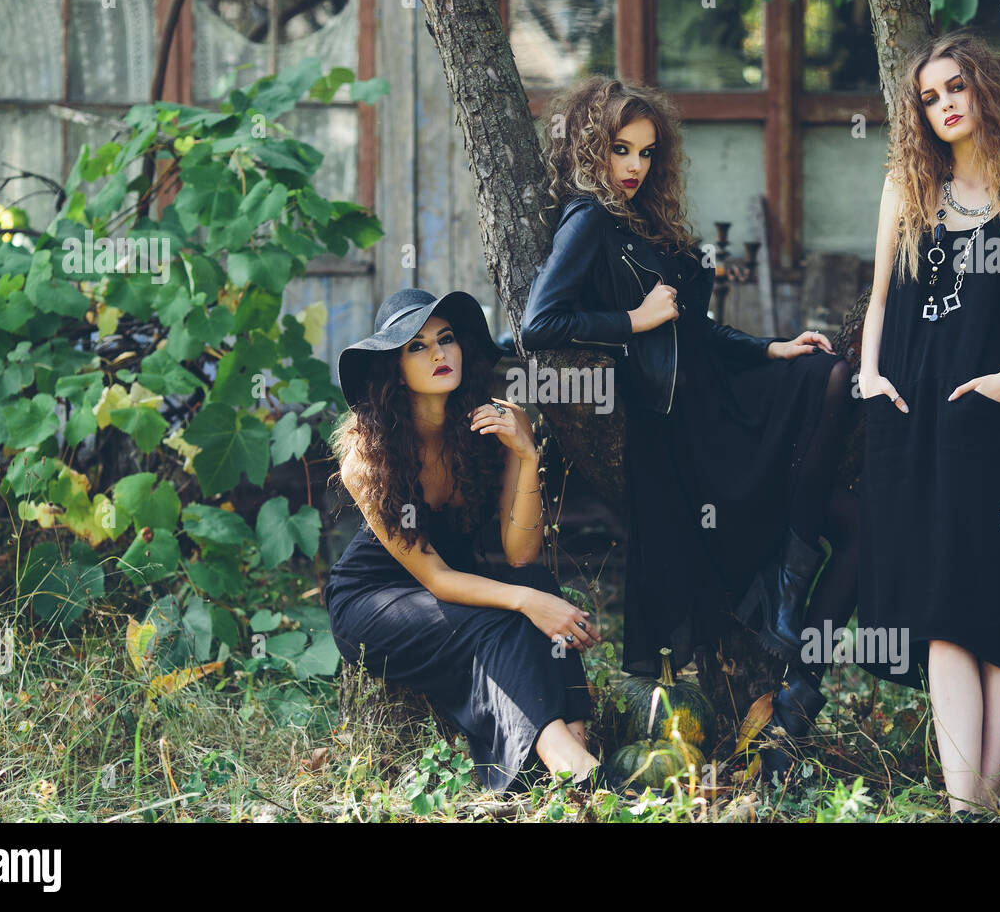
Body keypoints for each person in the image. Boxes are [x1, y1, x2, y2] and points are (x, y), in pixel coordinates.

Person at [520, 76, 861, 784]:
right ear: (591, 146)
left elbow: (696, 332)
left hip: (717, 386)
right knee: (828, 397)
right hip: (679, 422)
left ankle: (792, 590)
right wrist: (632, 322)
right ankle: (789, 579)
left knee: (829, 374)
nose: (635, 166)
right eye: (620, 149)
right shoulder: (589, 220)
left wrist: (769, 348)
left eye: (646, 151)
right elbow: (540, 322)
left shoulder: (646, 219)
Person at [857, 31, 1000, 818]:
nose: (944, 104)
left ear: (984, 91)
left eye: (956, 88)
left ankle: (983, 794)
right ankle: (966, 805)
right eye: (930, 96)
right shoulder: (906, 195)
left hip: (990, 428)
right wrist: (870, 378)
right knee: (942, 607)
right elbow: (878, 301)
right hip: (912, 424)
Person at [323, 287, 600, 793]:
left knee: (535, 583)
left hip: (451, 589)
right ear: (392, 367)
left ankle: (573, 748)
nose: (437, 354)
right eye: (416, 345)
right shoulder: (367, 453)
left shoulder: (491, 423)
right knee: (511, 617)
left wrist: (526, 455)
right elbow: (437, 578)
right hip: (376, 599)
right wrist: (529, 603)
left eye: (445, 339)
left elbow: (521, 555)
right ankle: (575, 769)